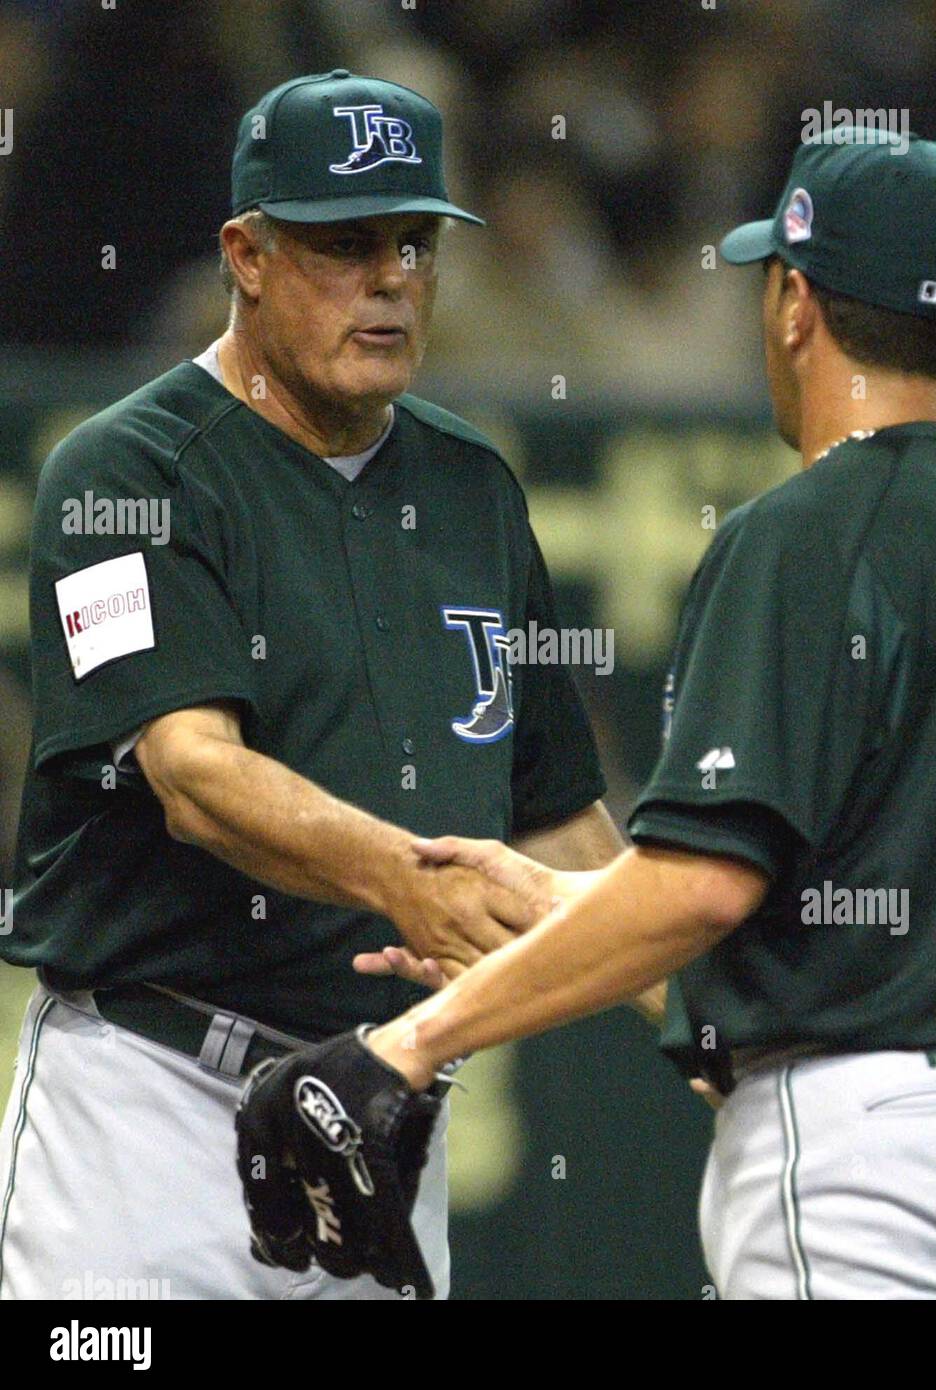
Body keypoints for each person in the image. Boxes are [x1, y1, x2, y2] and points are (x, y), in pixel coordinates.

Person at [325, 127, 936, 1299]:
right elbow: (875, 882)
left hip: (881, 1145)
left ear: (795, 301)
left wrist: (410, 1041)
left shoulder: (806, 532)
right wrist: (547, 899)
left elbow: (701, 886)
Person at [0, 70, 631, 1301]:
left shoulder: (475, 490)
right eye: (345, 244)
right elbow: (192, 775)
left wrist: (697, 1011)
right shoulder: (122, 471)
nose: (391, 276)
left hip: (384, 1112)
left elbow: (558, 815)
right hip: (150, 1104)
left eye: (414, 241)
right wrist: (409, 882)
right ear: (246, 252)